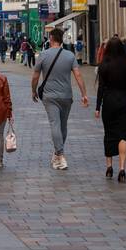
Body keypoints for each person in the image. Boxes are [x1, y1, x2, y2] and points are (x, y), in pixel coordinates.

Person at [31, 27, 89, 171]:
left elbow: (35, 76)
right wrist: (84, 94)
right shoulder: (70, 56)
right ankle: (58, 153)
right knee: (63, 125)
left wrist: (33, 90)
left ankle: (60, 155)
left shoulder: (43, 55)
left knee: (55, 124)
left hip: (50, 97)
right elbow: (78, 75)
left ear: (51, 39)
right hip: (66, 96)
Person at [95, 36, 126, 182]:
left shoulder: (104, 65)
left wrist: (97, 108)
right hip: (124, 102)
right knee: (122, 135)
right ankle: (122, 169)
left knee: (109, 133)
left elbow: (101, 88)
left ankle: (109, 167)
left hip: (108, 102)